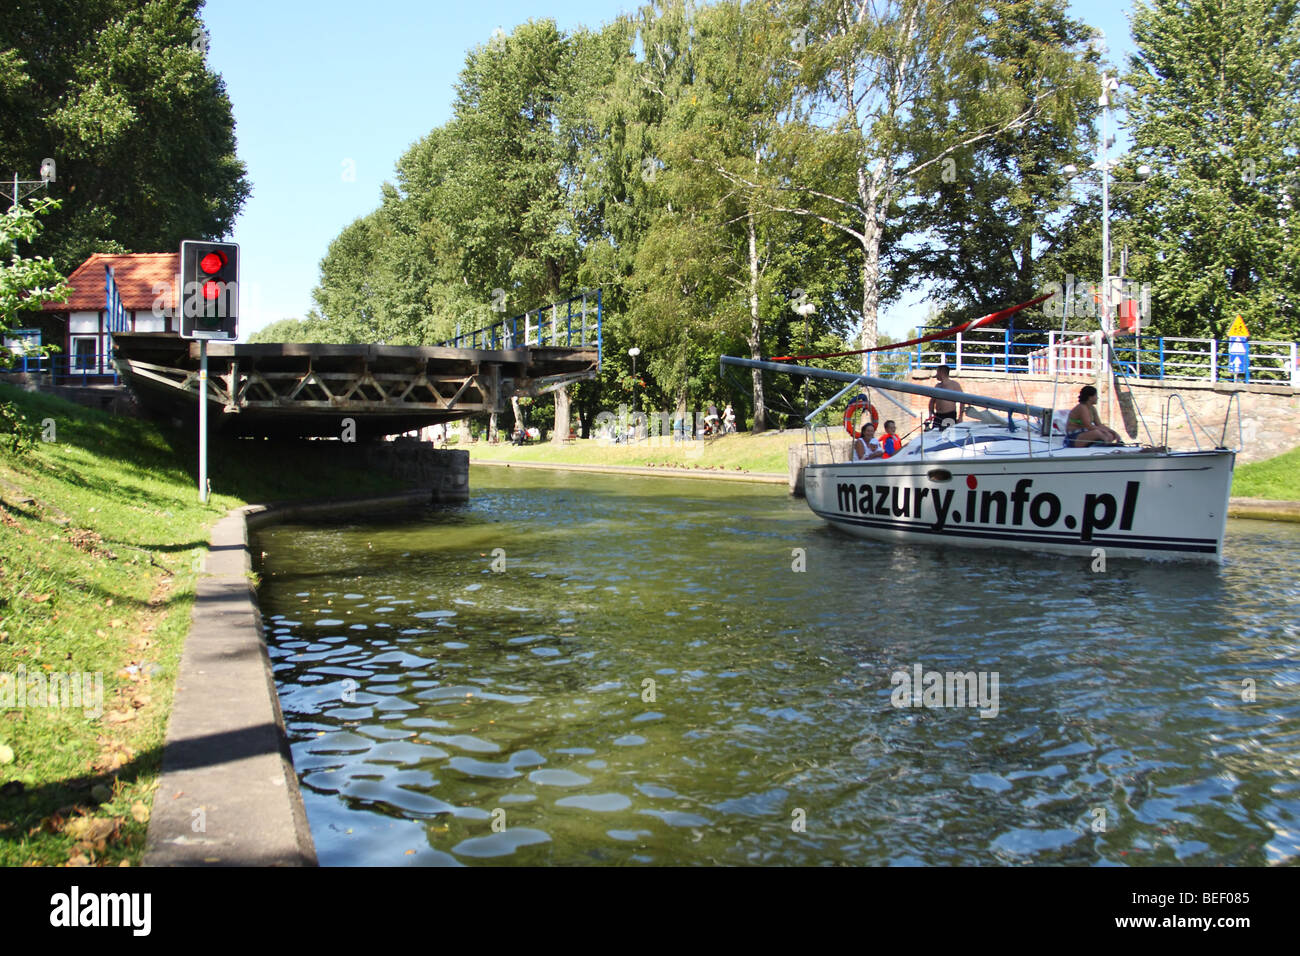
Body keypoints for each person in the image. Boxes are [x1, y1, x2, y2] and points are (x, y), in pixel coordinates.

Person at [928, 365, 964, 429]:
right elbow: (932, 401)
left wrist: (960, 417)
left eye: (937, 372)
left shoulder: (954, 385)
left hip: (950, 415)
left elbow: (963, 400)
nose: (936, 375)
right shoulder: (937, 386)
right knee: (935, 434)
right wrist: (931, 414)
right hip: (938, 415)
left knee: (949, 434)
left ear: (942, 372)